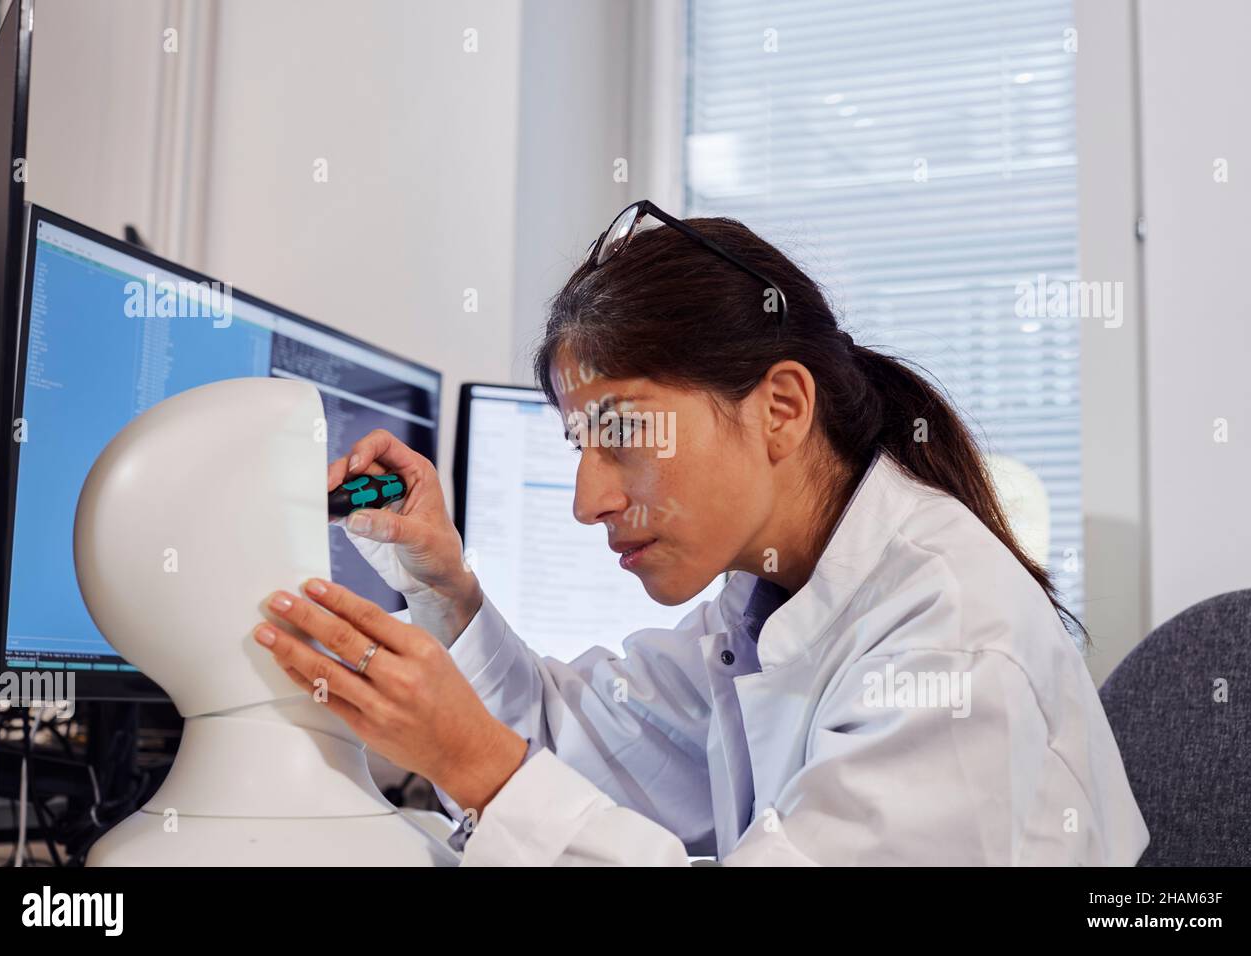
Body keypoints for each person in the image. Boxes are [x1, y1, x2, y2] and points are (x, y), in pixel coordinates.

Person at [250, 201, 1149, 866]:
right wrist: (443, 586)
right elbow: (586, 751)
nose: (587, 500)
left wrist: (477, 766)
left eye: (626, 434)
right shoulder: (766, 602)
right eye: (579, 446)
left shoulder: (952, 639)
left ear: (781, 410)